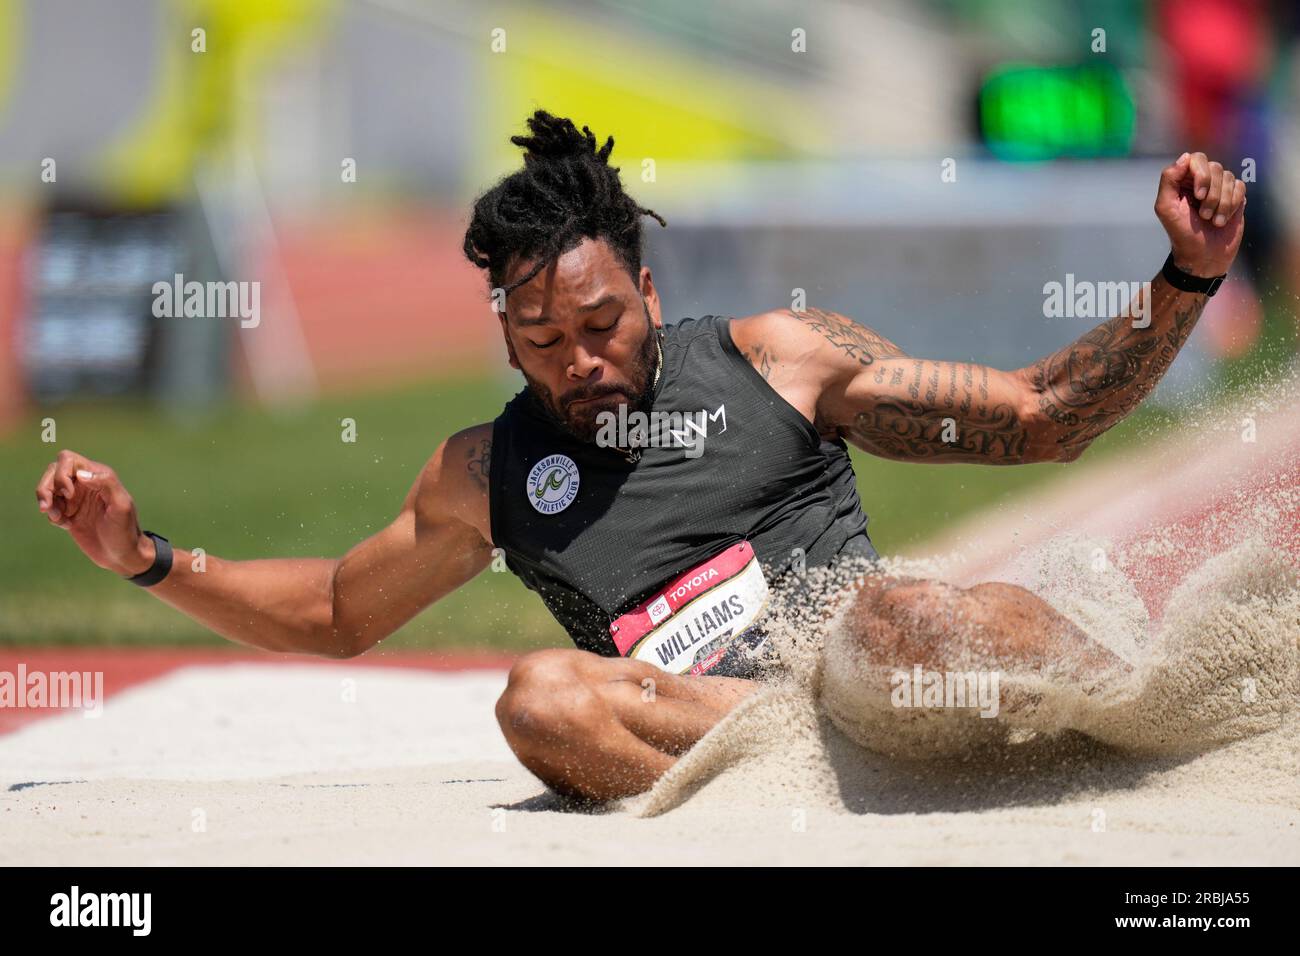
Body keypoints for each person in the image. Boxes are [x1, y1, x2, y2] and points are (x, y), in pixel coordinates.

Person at [35, 111, 1245, 800]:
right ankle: (791, 787)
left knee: (896, 623)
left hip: (879, 663)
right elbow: (341, 609)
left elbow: (1038, 415)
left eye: (603, 322)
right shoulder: (487, 472)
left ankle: (1149, 707)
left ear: (649, 289)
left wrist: (1183, 277)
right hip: (729, 733)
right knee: (539, 695)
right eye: (542, 338)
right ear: (504, 333)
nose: (580, 359)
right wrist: (145, 556)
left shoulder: (782, 357)